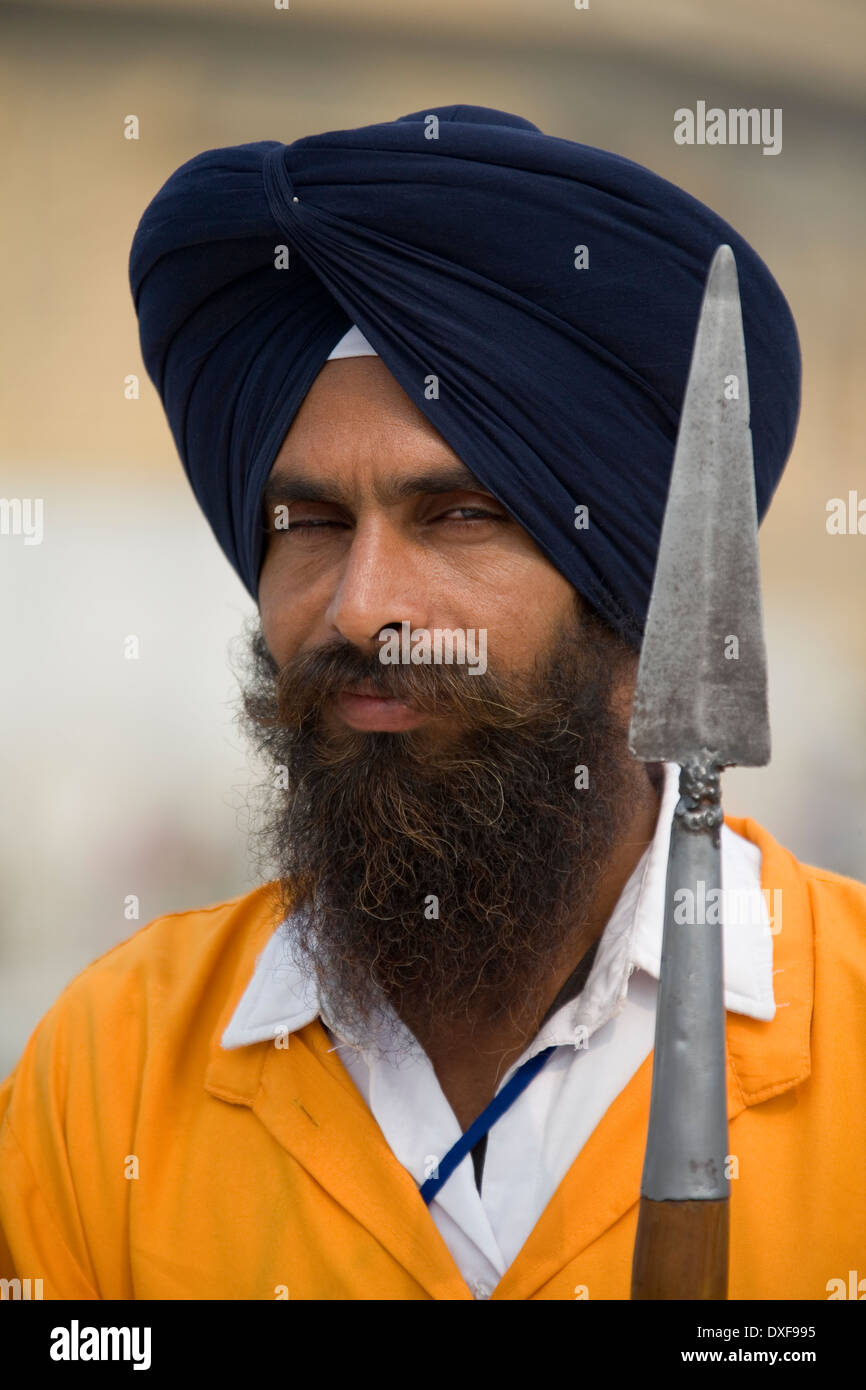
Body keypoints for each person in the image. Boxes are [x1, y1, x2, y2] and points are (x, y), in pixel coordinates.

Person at [1, 105, 863, 1302]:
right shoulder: (106, 1075)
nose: (359, 610)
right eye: (308, 524)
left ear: (635, 592)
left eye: (459, 516)